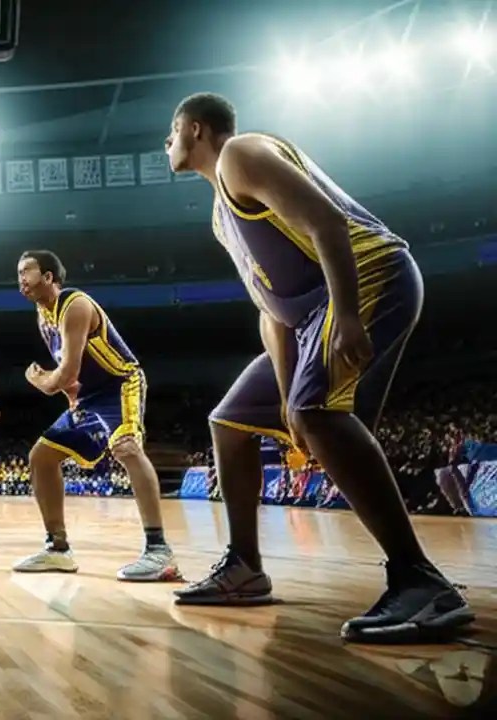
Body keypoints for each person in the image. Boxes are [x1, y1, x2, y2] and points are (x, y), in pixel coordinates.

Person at [163, 92, 473, 642]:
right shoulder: (220, 215)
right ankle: (244, 567)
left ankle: (421, 581)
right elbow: (270, 313)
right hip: (309, 317)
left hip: (368, 275)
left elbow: (329, 223)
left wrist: (349, 315)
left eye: (172, 130)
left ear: (195, 129)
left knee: (316, 412)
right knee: (229, 421)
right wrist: (285, 397)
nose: (166, 142)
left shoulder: (240, 153)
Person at [11, 250, 179, 581]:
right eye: (18, 272)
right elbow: (69, 378)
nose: (20, 278)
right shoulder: (42, 317)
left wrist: (40, 380)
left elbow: (65, 371)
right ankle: (58, 550)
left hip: (120, 384)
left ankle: (160, 551)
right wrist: (66, 391)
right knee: (41, 457)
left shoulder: (75, 306)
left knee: (127, 448)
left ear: (48, 278)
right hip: (88, 396)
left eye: (26, 271)